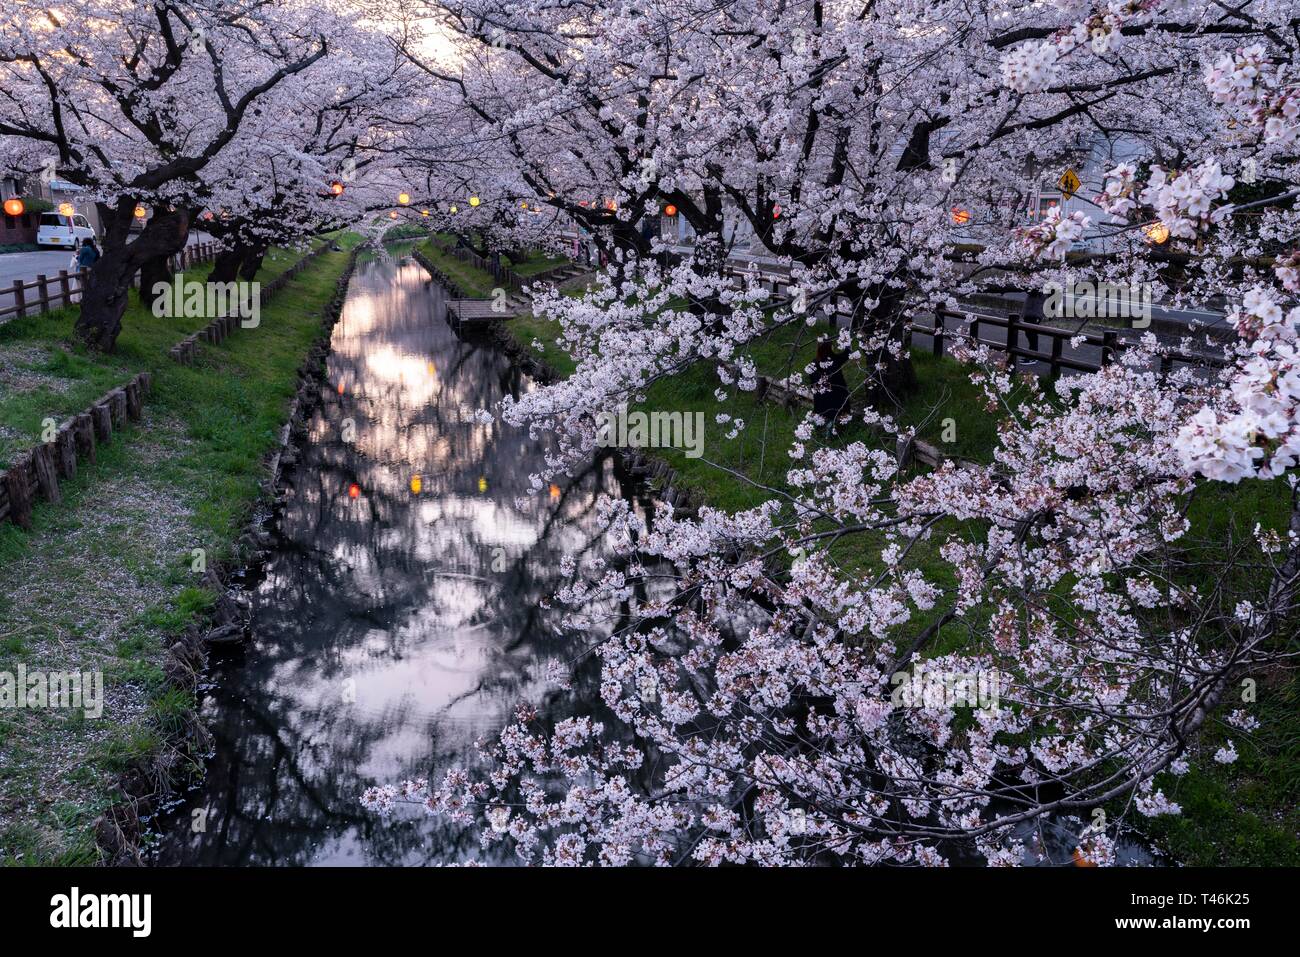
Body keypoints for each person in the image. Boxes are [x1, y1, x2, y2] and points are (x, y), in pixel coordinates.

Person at [811, 340, 850, 428]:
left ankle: (821, 426)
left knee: (823, 413)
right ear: (829, 347)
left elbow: (812, 384)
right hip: (836, 399)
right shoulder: (834, 360)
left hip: (820, 401)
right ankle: (835, 427)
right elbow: (847, 354)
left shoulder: (813, 363)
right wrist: (847, 340)